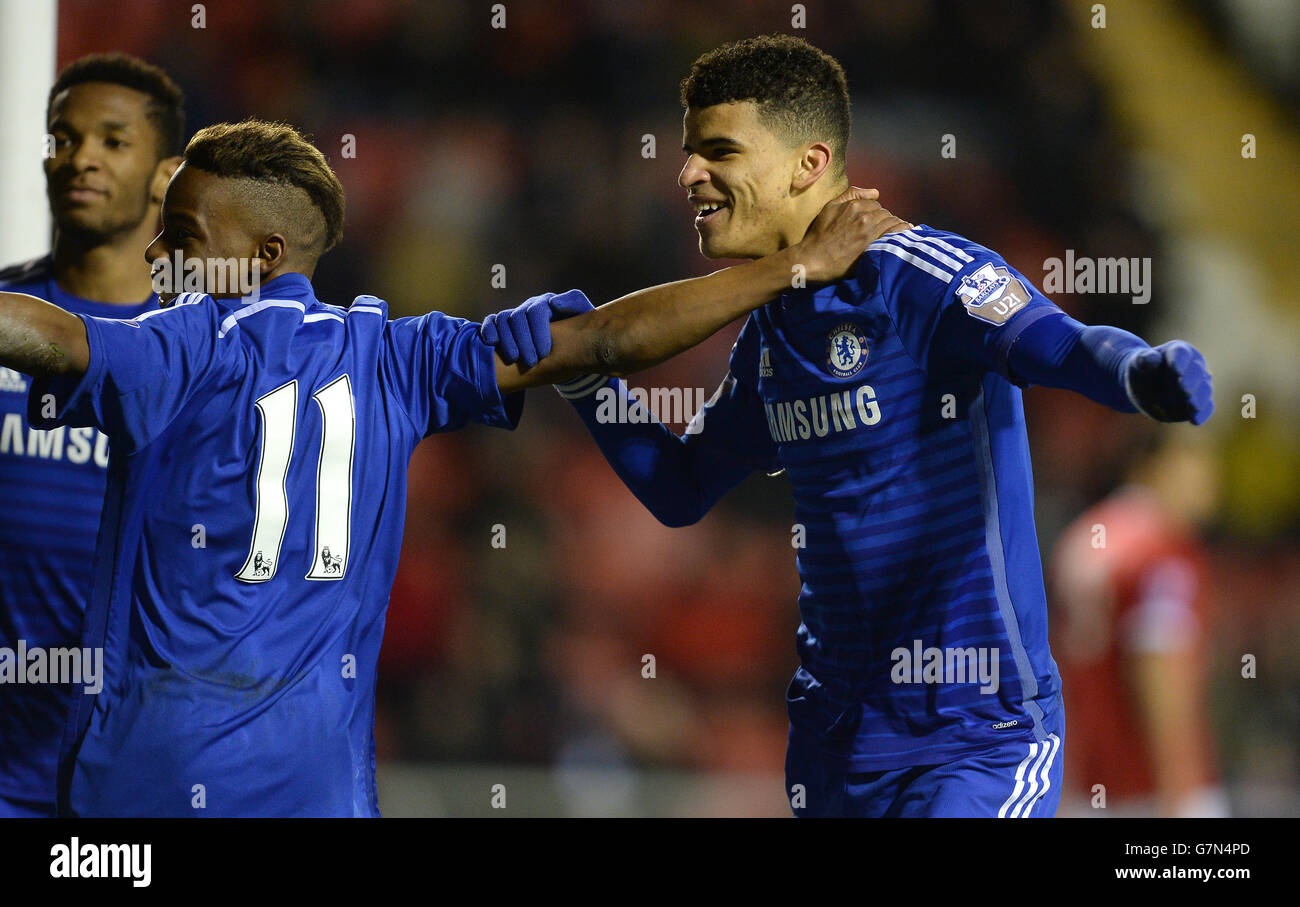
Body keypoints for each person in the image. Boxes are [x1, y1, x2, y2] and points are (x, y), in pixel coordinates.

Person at [0, 116, 895, 817]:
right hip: (319, 795)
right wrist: (794, 266)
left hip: (148, 780)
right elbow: (607, 337)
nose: (157, 257)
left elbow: (48, 335)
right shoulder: (397, 355)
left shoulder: (180, 343)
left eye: (183, 236)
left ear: (262, 257)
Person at [492, 35, 1214, 817]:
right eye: (690, 152)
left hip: (973, 739)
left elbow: (1062, 346)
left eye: (719, 151)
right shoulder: (773, 330)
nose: (689, 174)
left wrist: (1137, 372)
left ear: (807, 164)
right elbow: (684, 485)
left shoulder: (931, 277)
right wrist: (591, 383)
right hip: (836, 746)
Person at [0, 53, 184, 818]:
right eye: (62, 138)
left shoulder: (201, 347)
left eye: (113, 141)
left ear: (165, 176)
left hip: (138, 769)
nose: (80, 158)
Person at [1050, 433, 1228, 817]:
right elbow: (1157, 671)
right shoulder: (1162, 549)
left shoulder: (1083, 537)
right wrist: (1180, 791)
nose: (1211, 478)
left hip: (1083, 784)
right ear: (1150, 465)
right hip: (1149, 788)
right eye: (1195, 463)